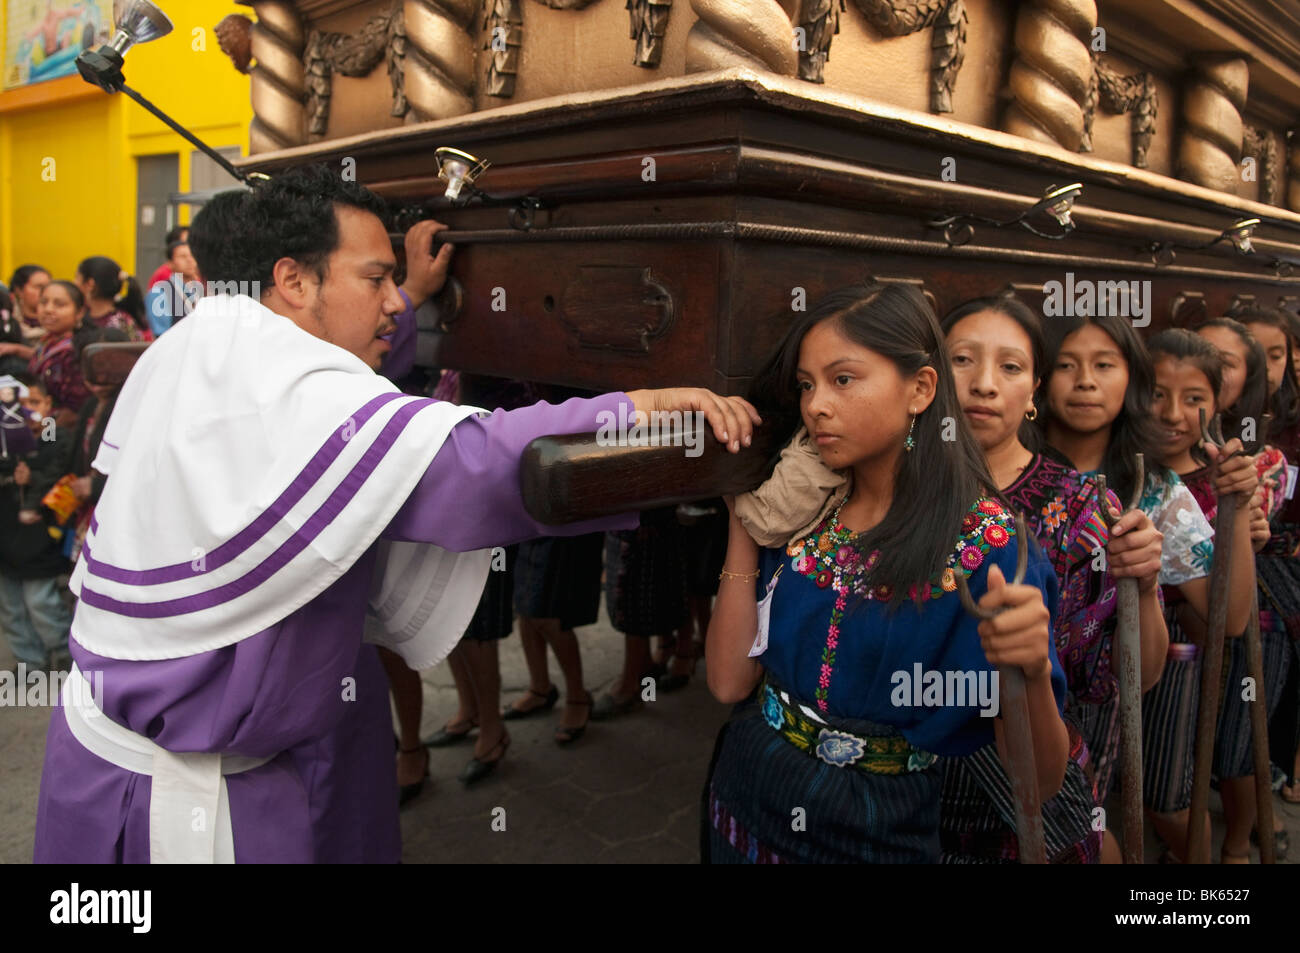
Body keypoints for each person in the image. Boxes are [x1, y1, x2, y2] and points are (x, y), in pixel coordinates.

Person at [33, 164, 759, 864]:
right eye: (374, 279)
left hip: (113, 757)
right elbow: (473, 466)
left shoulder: (205, 340)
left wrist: (411, 289)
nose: (390, 304)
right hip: (183, 805)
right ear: (292, 278)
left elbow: (352, 363)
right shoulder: (287, 383)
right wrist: (636, 410)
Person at [704, 283, 1067, 864]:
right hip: (749, 783)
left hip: (876, 821)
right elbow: (728, 683)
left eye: (842, 380)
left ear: (920, 388)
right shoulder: (802, 507)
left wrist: (1026, 671)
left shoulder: (987, 547)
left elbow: (1035, 785)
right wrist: (744, 523)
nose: (816, 404)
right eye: (806, 385)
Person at [938, 295, 1167, 863]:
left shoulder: (1084, 508)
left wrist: (1143, 585)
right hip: (900, 789)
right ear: (927, 377)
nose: (984, 384)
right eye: (962, 360)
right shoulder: (884, 483)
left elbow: (1137, 674)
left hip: (1026, 779)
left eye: (1010, 367)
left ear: (1033, 390)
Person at [1140, 329, 1267, 863]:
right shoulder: (1126, 467)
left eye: (1194, 399)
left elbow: (1229, 608)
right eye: (1156, 393)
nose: (1172, 414)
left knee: (1171, 794)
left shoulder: (1222, 479)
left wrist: (1243, 526)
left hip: (1186, 661)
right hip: (1115, 649)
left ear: (1219, 404)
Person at [0, 377, 73, 672]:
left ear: (48, 405)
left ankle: (63, 650)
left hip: (40, 532)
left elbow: (57, 470)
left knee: (41, 600)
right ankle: (28, 660)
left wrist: (31, 482)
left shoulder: (53, 434)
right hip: (7, 531)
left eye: (35, 403)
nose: (27, 411)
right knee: (10, 605)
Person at [26, 281, 92, 427]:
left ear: (79, 312)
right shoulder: (45, 343)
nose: (48, 309)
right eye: (43, 302)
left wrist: (46, 435)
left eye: (59, 304)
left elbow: (75, 411)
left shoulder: (75, 351)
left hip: (59, 436)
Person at [74, 256, 151, 342]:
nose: (74, 282)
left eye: (77, 277)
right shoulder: (79, 316)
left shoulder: (118, 324)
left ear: (90, 284)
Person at [145, 235, 201, 336]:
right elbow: (161, 334)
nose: (190, 260)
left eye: (193, 255)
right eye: (182, 257)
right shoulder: (159, 293)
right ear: (170, 264)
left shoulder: (203, 290)